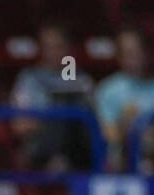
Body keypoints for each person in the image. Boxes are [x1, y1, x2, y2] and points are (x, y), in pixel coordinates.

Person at [94, 28, 154, 176]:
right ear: (119, 55)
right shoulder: (108, 89)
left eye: (136, 51)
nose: (133, 56)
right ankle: (140, 165)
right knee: (129, 119)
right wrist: (136, 128)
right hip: (123, 152)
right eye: (127, 52)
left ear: (145, 53)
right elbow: (107, 133)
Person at [9, 22, 96, 172]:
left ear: (68, 48)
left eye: (58, 46)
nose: (54, 52)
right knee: (58, 115)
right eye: (48, 47)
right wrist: (49, 118)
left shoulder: (82, 81)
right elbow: (19, 126)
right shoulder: (29, 79)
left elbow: (95, 121)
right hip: (42, 146)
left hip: (78, 148)